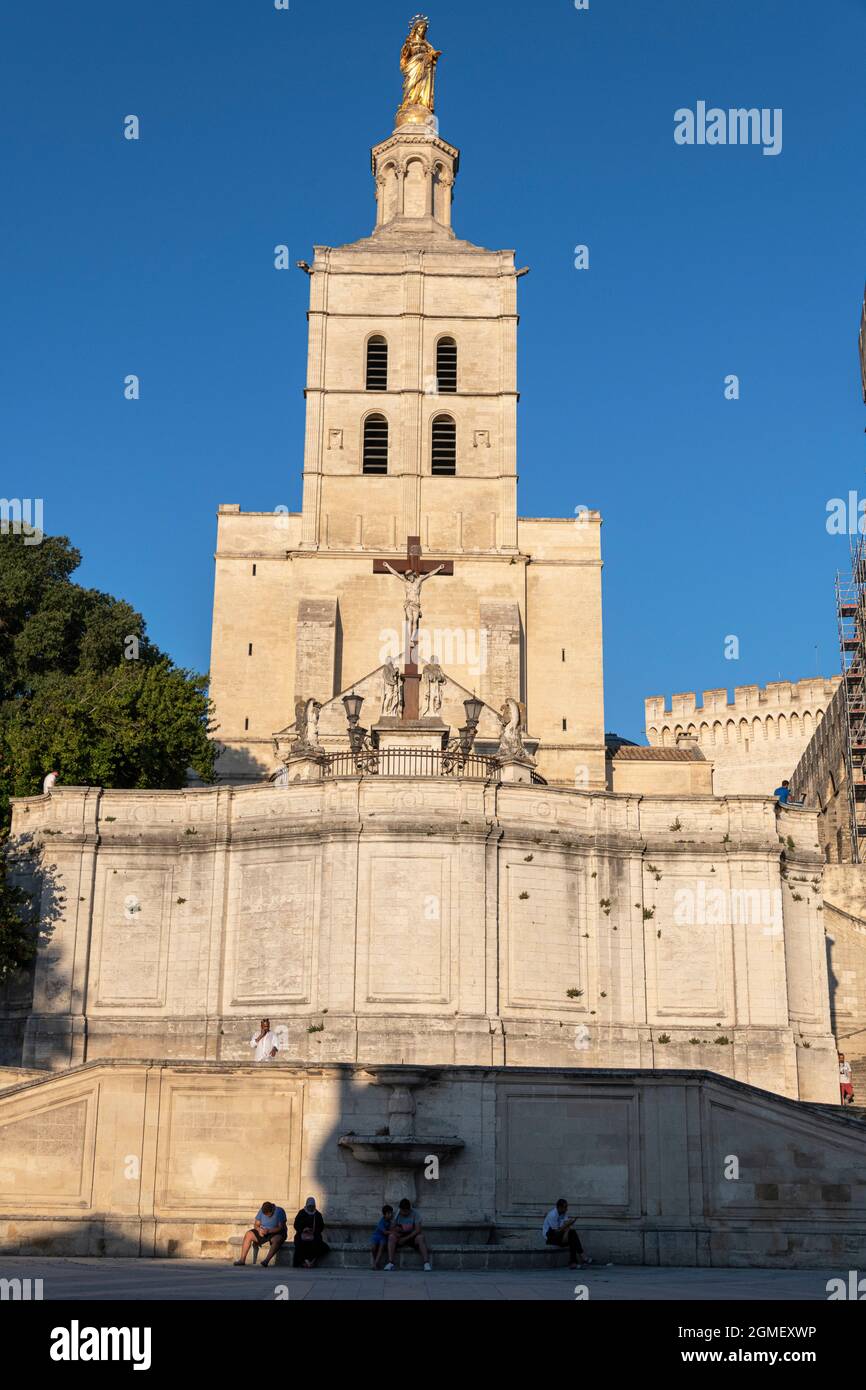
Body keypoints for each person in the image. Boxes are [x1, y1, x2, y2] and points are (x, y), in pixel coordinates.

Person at [233, 1200, 288, 1267]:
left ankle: (266, 1261)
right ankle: (242, 1260)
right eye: (265, 1214)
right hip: (263, 1231)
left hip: (276, 1232)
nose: (267, 1216)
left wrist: (269, 1231)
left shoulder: (279, 1211)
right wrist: (259, 1230)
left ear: (272, 1209)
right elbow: (256, 1224)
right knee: (248, 1234)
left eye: (268, 1214)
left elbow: (280, 1227)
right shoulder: (261, 1211)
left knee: (277, 1239)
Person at [384, 1197, 432, 1271]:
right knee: (391, 1237)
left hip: (412, 1236)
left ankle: (426, 1263)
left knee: (421, 1237)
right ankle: (390, 1263)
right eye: (403, 1211)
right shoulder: (396, 1214)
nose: (405, 1213)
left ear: (409, 1209)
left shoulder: (415, 1214)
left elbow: (418, 1230)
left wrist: (405, 1238)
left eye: (406, 1211)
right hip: (400, 1236)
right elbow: (391, 1229)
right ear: (400, 1209)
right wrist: (394, 1225)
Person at [543, 1198, 591, 1270]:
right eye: (565, 1207)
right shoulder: (552, 1215)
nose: (566, 1209)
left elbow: (566, 1225)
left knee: (572, 1238)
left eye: (566, 1207)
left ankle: (573, 1263)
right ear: (559, 1207)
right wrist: (567, 1226)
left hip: (560, 1234)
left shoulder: (563, 1214)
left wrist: (568, 1226)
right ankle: (581, 1257)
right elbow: (556, 1231)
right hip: (550, 1236)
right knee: (572, 1235)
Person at [292, 1196, 329, 1268]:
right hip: (302, 1235)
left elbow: (321, 1227)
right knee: (300, 1245)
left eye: (312, 1206)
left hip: (314, 1235)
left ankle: (311, 1261)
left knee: (322, 1246)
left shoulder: (317, 1215)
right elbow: (296, 1224)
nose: (311, 1208)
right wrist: (303, 1229)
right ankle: (305, 1262)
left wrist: (313, 1231)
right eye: (309, 1206)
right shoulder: (301, 1213)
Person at [370, 1204, 394, 1269]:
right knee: (373, 1248)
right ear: (384, 1214)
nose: (390, 1215)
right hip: (376, 1236)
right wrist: (393, 1232)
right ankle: (376, 1262)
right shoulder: (381, 1221)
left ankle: (376, 1263)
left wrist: (392, 1225)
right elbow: (385, 1232)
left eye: (391, 1213)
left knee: (381, 1247)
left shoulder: (390, 1222)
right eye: (388, 1213)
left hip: (383, 1238)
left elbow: (391, 1229)